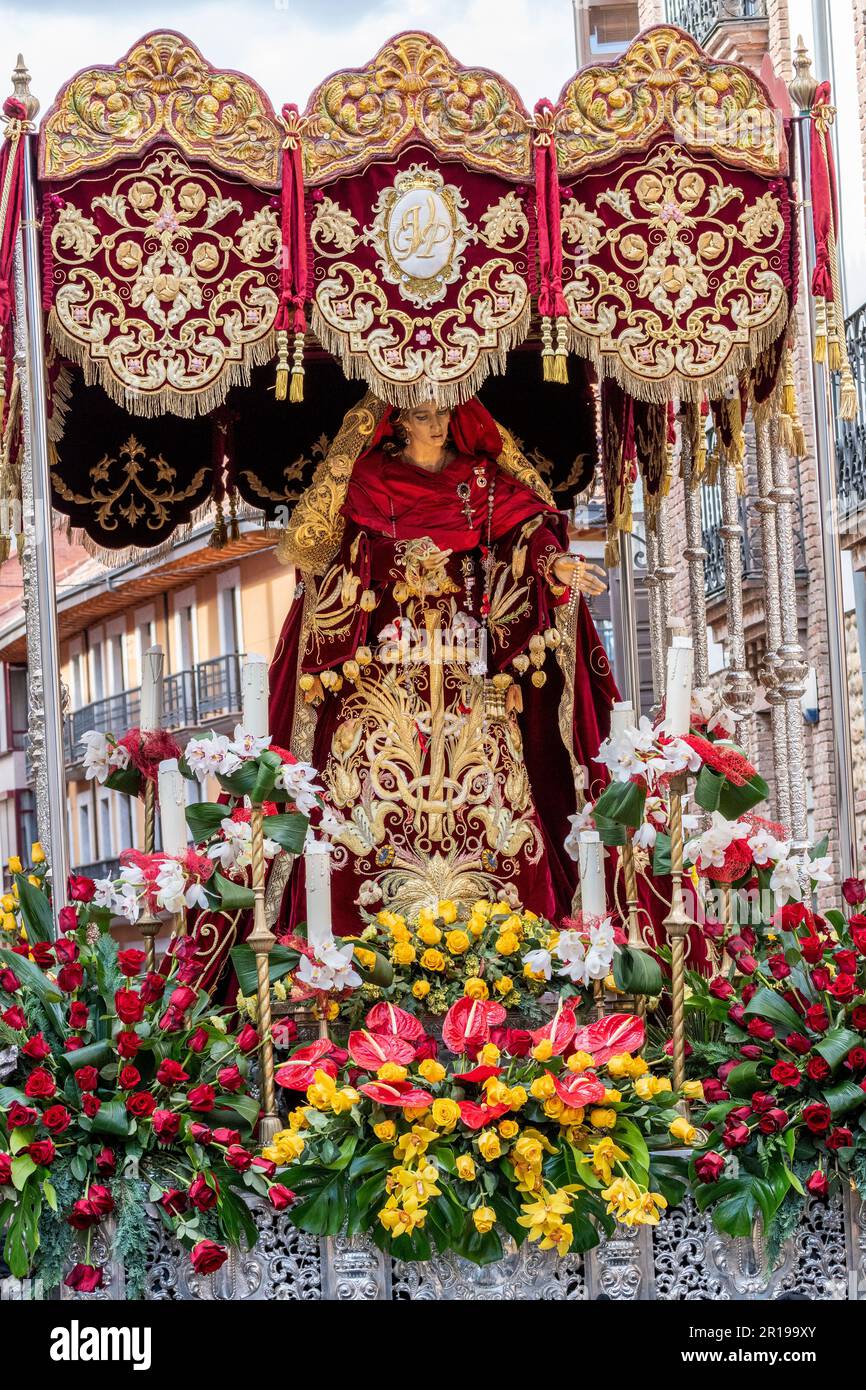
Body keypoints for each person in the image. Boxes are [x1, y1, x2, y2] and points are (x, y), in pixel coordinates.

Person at [268, 392, 618, 934]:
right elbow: (328, 557)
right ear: (398, 421)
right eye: (424, 415)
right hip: (387, 667)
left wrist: (556, 564)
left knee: (495, 776)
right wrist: (395, 557)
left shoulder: (480, 479)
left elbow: (527, 530)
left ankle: (513, 932)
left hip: (465, 667)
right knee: (364, 779)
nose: (438, 425)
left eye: (445, 413)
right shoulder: (366, 480)